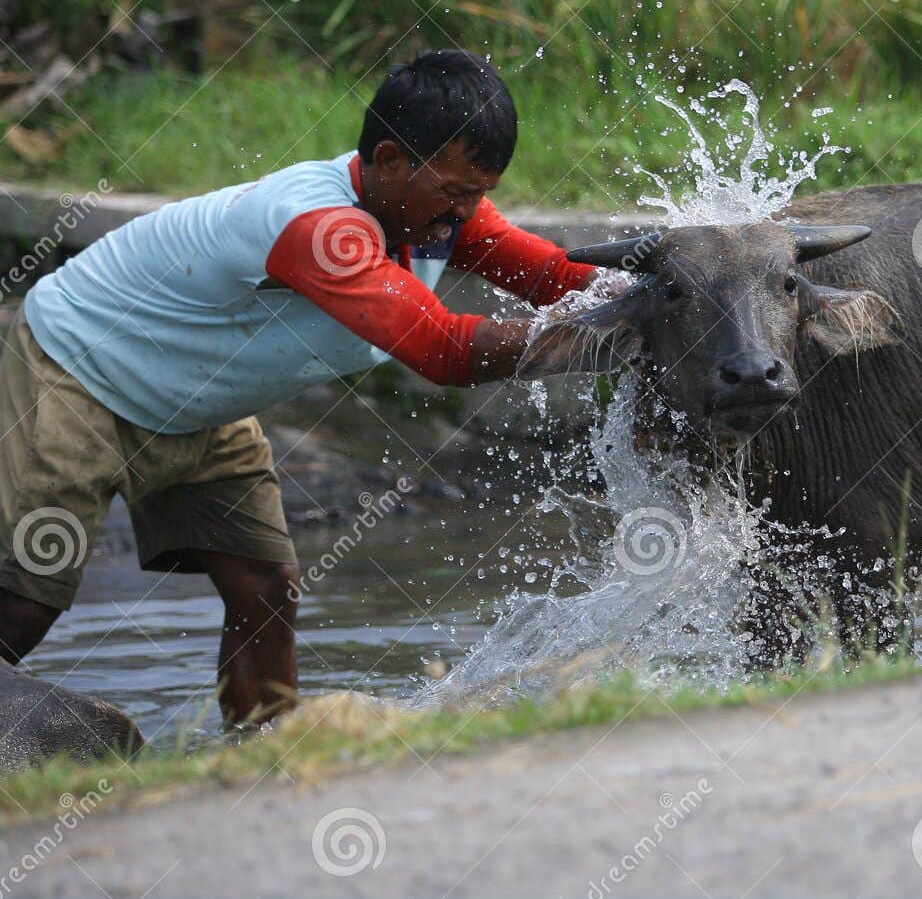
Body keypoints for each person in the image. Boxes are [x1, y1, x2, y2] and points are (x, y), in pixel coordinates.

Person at [0, 49, 607, 725]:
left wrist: (669, 291)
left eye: (478, 193)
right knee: (28, 596)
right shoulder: (320, 229)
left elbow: (555, 276)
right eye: (457, 192)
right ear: (388, 160)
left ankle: (261, 758)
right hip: (80, 364)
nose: (465, 213)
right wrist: (611, 337)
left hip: (198, 398)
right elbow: (441, 350)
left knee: (264, 586)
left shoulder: (435, 211)